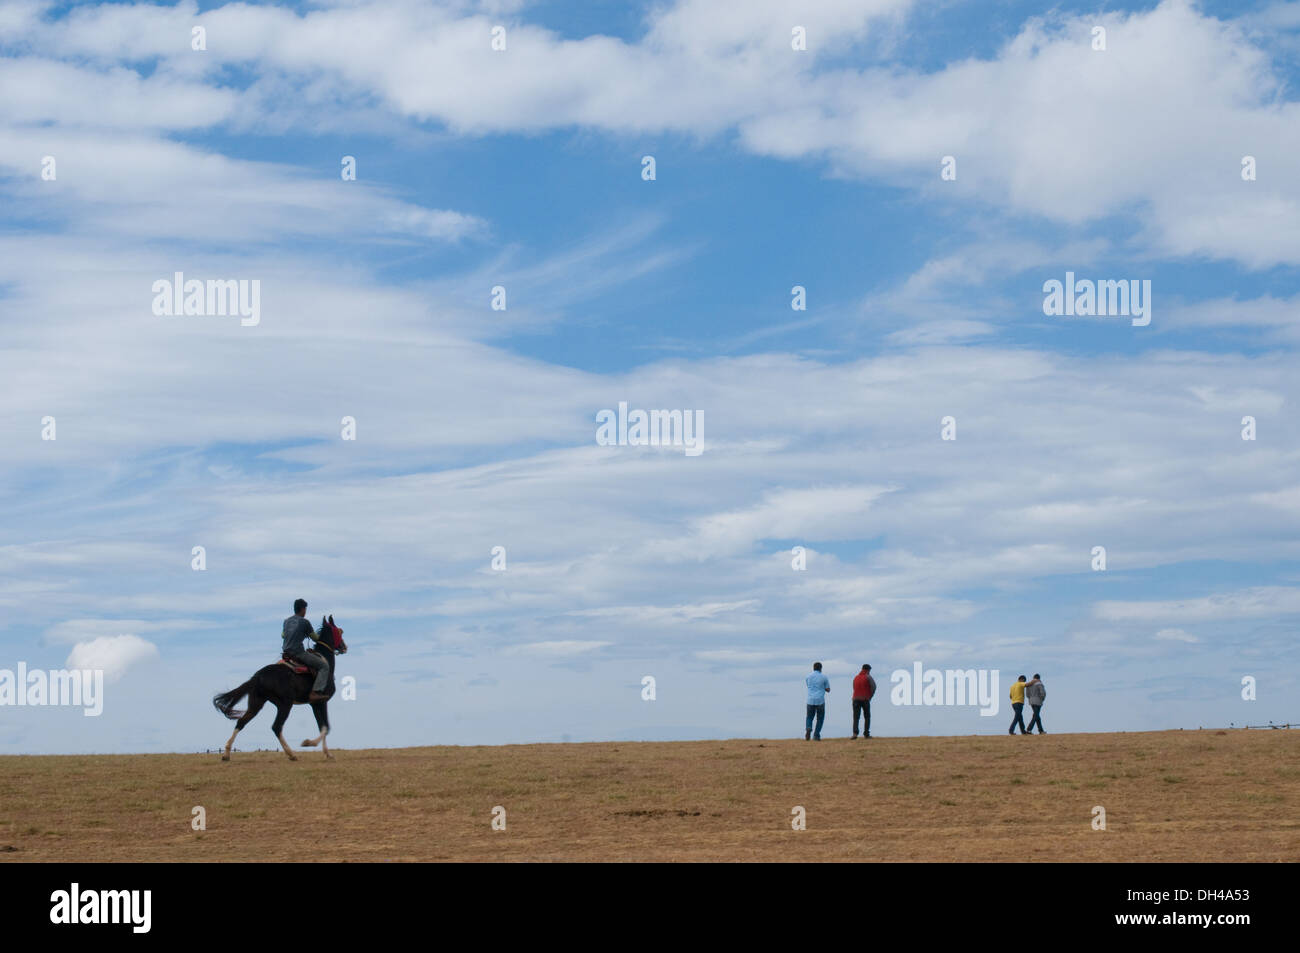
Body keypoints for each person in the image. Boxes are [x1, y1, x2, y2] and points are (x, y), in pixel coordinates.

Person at [282, 598, 330, 702]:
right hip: (298, 653)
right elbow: (315, 638)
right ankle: (315, 692)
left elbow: (283, 635)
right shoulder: (305, 622)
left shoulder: (286, 621)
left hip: (286, 653)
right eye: (305, 609)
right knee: (324, 666)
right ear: (303, 609)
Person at [805, 662, 831, 740]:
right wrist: (823, 688)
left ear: (813, 668)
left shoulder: (808, 677)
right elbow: (828, 689)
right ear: (821, 668)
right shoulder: (824, 677)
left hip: (810, 700)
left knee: (809, 717)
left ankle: (808, 728)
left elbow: (808, 686)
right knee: (820, 719)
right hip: (820, 701)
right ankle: (816, 735)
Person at [851, 664, 877, 738]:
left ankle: (855, 734)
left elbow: (854, 687)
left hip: (855, 699)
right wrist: (870, 696)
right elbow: (874, 687)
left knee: (856, 717)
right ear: (868, 670)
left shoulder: (856, 677)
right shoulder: (868, 677)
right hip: (865, 699)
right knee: (867, 716)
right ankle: (866, 734)